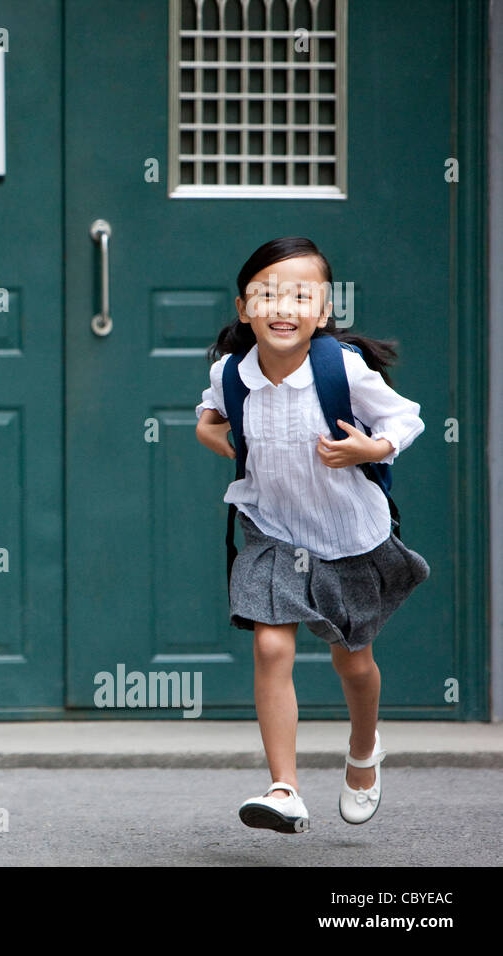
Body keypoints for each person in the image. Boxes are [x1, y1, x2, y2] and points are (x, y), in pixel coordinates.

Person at [194, 236, 429, 833]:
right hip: (271, 528)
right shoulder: (231, 373)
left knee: (352, 663)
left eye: (301, 294)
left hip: (347, 534)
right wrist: (212, 434)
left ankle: (364, 748)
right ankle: (284, 788)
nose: (283, 304)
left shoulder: (340, 367)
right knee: (272, 647)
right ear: (245, 308)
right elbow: (210, 413)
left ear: (323, 311)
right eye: (266, 292)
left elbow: (406, 417)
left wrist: (370, 448)